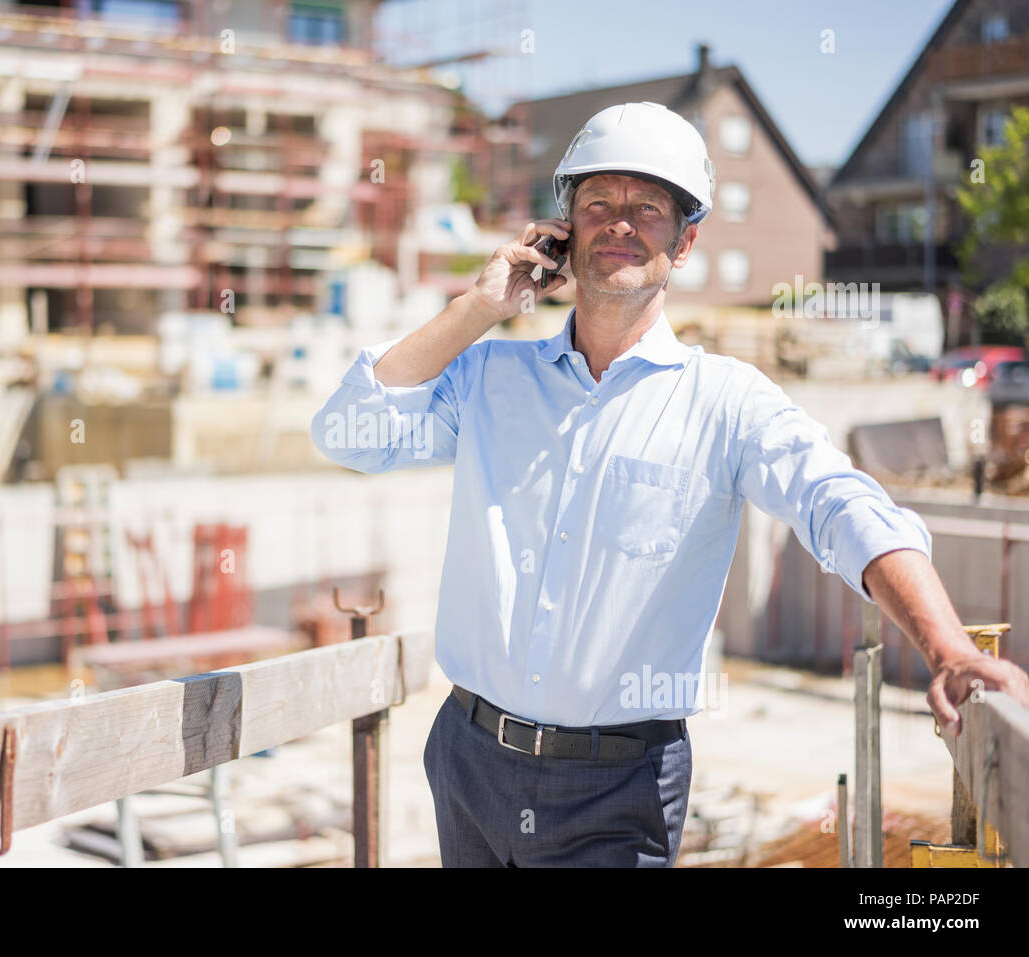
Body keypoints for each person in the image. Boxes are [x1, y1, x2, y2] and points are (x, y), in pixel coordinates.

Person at [309, 101, 1029, 867]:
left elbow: (842, 507)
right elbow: (350, 432)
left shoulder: (726, 401)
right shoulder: (490, 376)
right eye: (598, 204)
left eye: (647, 208)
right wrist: (481, 307)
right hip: (467, 763)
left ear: (685, 241)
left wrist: (947, 647)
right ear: (562, 231)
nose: (619, 223)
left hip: (617, 790)